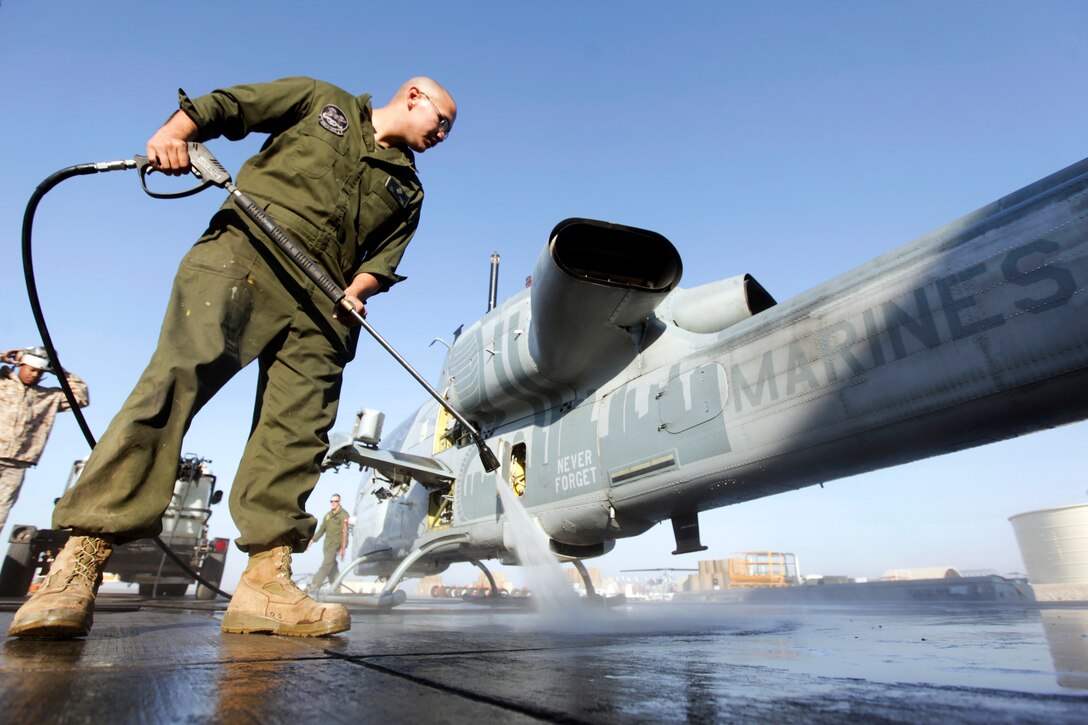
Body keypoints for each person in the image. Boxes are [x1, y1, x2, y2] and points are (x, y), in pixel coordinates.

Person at [9, 76, 456, 639]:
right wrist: (176, 132)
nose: (442, 134)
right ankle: (80, 563)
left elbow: (386, 255)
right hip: (247, 255)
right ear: (413, 95)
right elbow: (231, 106)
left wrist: (359, 289)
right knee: (173, 386)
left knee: (297, 432)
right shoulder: (324, 102)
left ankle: (265, 583)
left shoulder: (409, 189)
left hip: (327, 300)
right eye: (441, 120)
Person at [0, 347, 90, 533]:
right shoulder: (2, 384)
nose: (34, 375)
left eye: (40, 372)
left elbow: (81, 397)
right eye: (31, 369)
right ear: (21, 365)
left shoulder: (48, 396)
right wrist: (4, 357)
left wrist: (60, 371)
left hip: (16, 465)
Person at [308, 494, 349, 592]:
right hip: (326, 546)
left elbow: (345, 532)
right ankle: (337, 589)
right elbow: (322, 529)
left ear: (339, 502)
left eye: (336, 501)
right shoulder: (328, 515)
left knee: (327, 564)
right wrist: (312, 540)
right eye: (332, 501)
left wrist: (344, 547)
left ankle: (314, 584)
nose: (333, 503)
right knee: (332, 567)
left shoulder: (344, 515)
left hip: (335, 545)